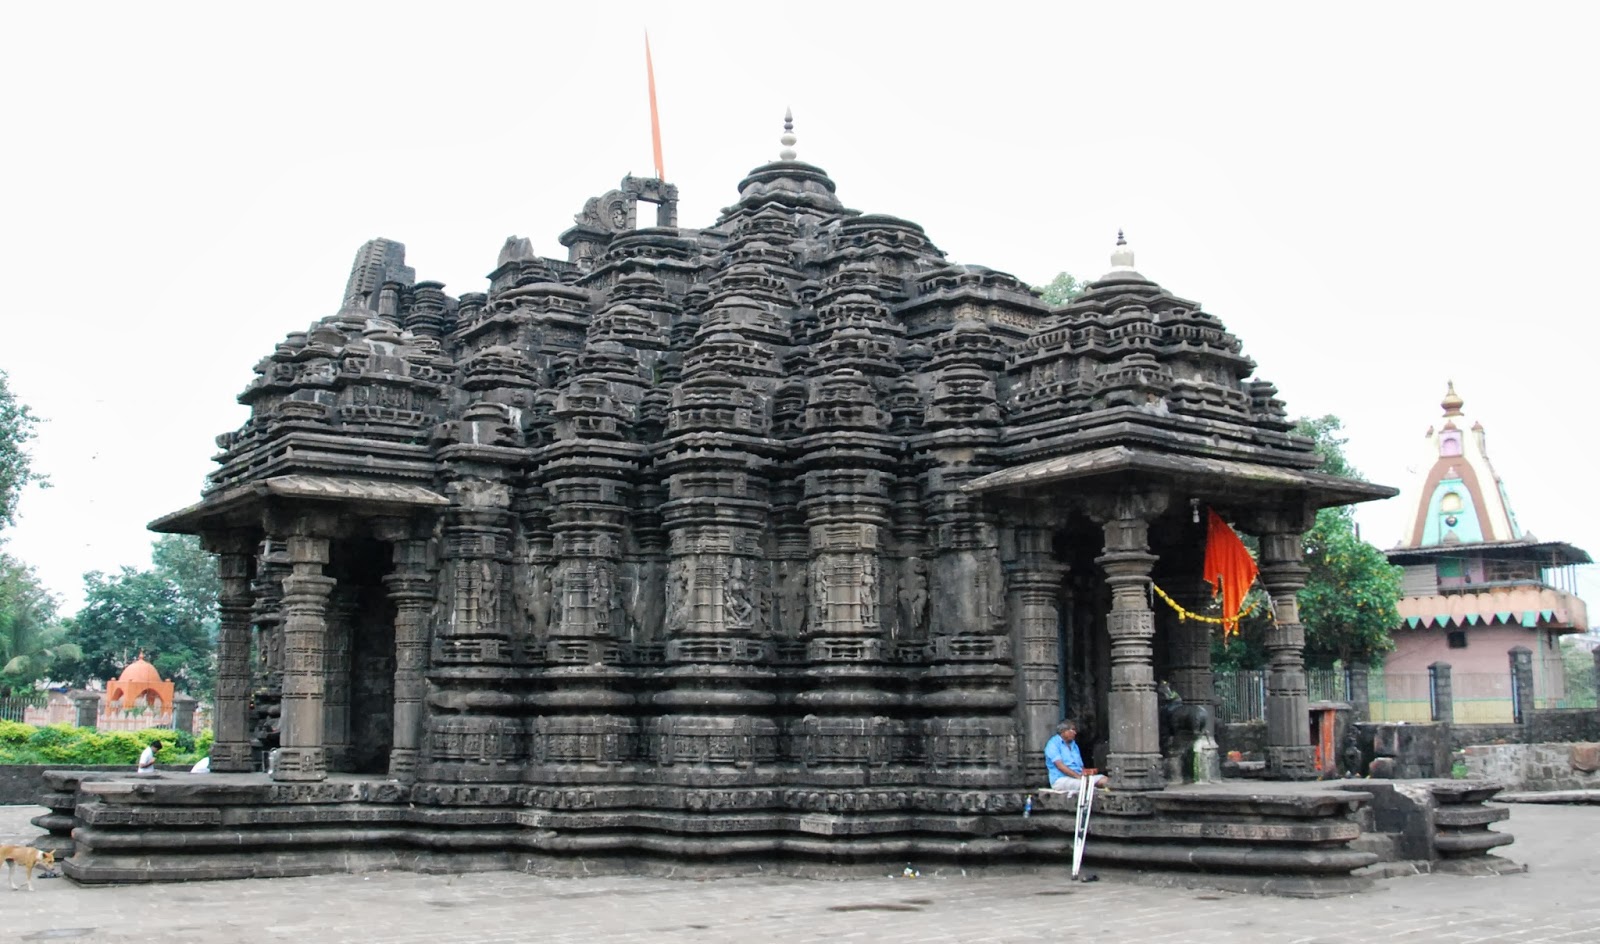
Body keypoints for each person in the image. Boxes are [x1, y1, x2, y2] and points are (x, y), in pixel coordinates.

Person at [1044, 720, 1108, 793]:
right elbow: (1060, 766)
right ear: (1064, 731)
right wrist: (1078, 777)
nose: (1075, 733)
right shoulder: (1053, 744)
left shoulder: (1074, 745)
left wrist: (1087, 772)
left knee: (1105, 780)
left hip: (1079, 778)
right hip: (1061, 779)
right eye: (1073, 730)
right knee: (1087, 785)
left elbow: (1080, 767)